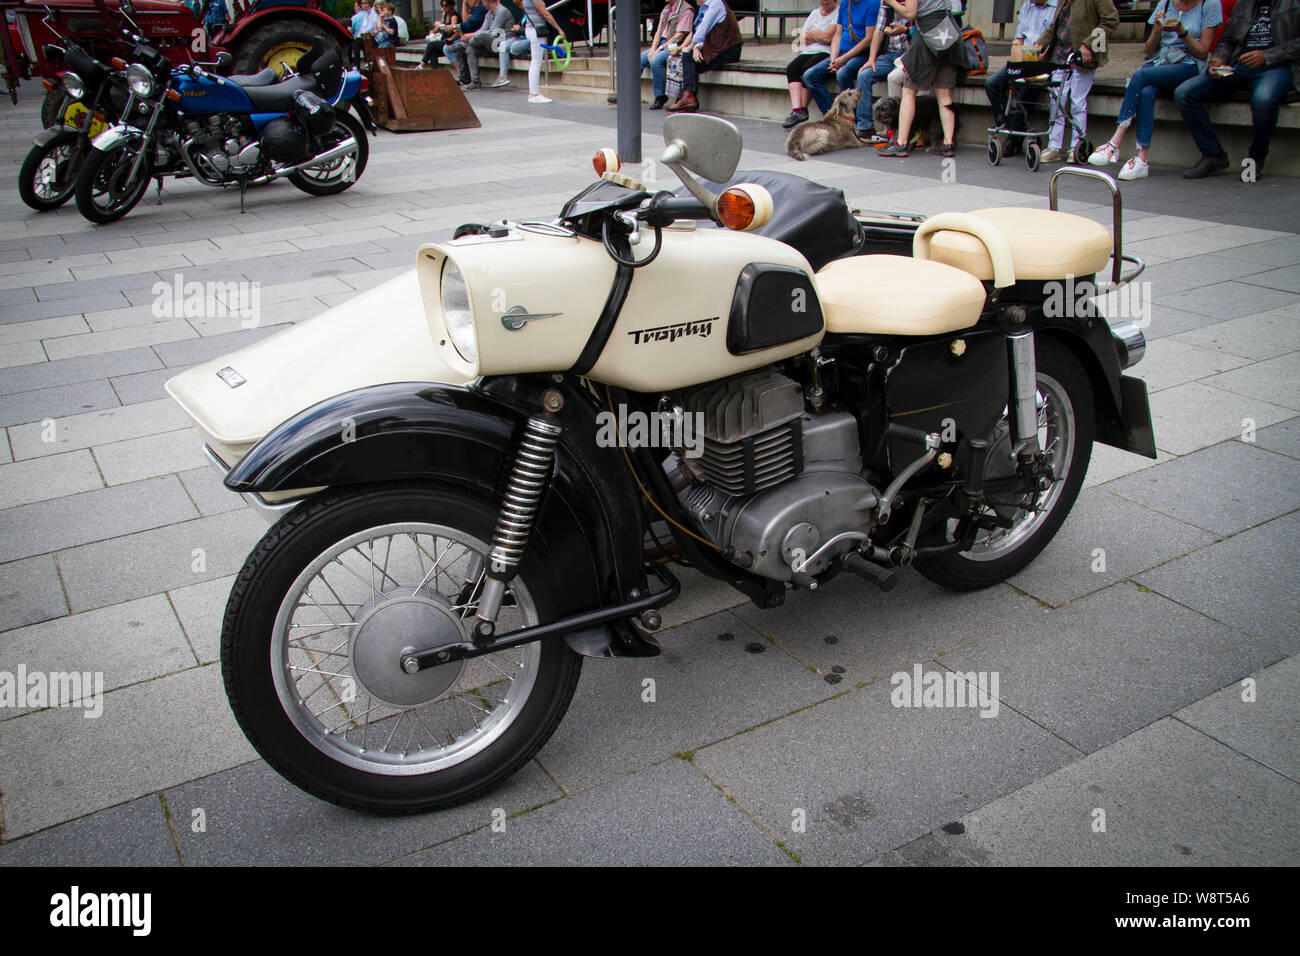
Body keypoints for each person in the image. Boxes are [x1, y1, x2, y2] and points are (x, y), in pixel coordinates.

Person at [1088, 0, 1222, 178]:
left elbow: (1203, 52)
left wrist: (1182, 32)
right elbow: (1148, 50)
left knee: (1140, 76)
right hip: (1162, 63)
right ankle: (1142, 158)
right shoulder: (1166, 3)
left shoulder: (1209, 4)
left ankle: (1115, 142)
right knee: (1146, 91)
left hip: (1190, 64)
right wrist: (1157, 31)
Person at [1173, 0, 1300, 178]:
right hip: (1239, 64)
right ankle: (1213, 155)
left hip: (1276, 66)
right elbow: (1227, 39)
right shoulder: (1245, 3)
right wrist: (1218, 59)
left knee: (1263, 99)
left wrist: (1267, 56)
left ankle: (1256, 158)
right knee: (1185, 92)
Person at [1029, 0, 1119, 163]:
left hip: (1083, 56)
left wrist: (1089, 45)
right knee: (1056, 100)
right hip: (1060, 55)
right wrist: (1040, 44)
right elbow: (1056, 25)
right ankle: (1054, 146)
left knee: (1077, 101)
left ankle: (1076, 146)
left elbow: (1111, 21)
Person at [878, 0, 970, 156]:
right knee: (944, 94)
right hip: (949, 34)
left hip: (927, 36)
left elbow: (910, 12)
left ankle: (901, 142)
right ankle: (948, 144)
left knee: (908, 91)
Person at [984, 0, 1059, 149]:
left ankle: (1014, 138)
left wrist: (1036, 58)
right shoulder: (1026, 6)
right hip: (1022, 60)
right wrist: (1017, 59)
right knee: (992, 84)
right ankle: (1009, 124)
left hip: (1042, 62)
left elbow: (1053, 44)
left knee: (1027, 87)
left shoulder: (1057, 8)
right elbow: (1019, 40)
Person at [803, 0, 880, 119]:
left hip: (862, 54)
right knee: (809, 76)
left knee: (842, 73)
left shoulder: (872, 4)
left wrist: (843, 59)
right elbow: (838, 34)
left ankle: (857, 120)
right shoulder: (845, 4)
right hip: (842, 53)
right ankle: (834, 116)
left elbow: (868, 39)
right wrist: (834, 58)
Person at [669, 0, 744, 112]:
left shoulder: (716, 4)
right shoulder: (705, 7)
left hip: (729, 49)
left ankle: (688, 97)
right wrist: (696, 48)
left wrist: (692, 47)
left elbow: (703, 29)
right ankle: (686, 96)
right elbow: (701, 32)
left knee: (688, 58)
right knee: (688, 60)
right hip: (718, 47)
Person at [855, 0, 914, 137]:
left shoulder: (912, 3)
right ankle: (865, 126)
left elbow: (913, 19)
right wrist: (871, 58)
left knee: (894, 77)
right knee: (864, 75)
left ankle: (895, 127)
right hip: (890, 54)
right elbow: (879, 31)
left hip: (908, 53)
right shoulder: (885, 3)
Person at [784, 0, 839, 128]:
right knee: (792, 68)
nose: (824, 2)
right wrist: (819, 36)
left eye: (827, 0)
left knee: (807, 69)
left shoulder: (838, 13)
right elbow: (801, 37)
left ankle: (803, 107)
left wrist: (812, 33)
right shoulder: (815, 13)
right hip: (807, 51)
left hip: (825, 52)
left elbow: (828, 38)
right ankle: (797, 110)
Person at [639, 0, 697, 109]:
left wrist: (660, 48)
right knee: (640, 59)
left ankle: (660, 96)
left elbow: (680, 35)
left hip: (674, 46)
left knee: (655, 60)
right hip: (662, 43)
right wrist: (652, 49)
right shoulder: (666, 9)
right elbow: (658, 31)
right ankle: (626, 92)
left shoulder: (686, 9)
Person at [516, 0, 569, 103]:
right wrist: (559, 29)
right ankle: (534, 94)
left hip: (531, 29)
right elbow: (545, 13)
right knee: (536, 62)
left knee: (535, 62)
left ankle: (533, 93)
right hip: (536, 30)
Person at [461, 0, 515, 88]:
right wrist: (471, 36)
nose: (482, 3)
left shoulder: (502, 11)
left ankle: (461, 45)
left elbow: (492, 32)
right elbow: (482, 29)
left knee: (480, 36)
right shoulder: (489, 13)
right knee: (470, 47)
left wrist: (471, 36)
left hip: (501, 45)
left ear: (488, 1)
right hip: (491, 45)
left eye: (483, 1)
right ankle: (475, 81)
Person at [422, 0, 462, 67]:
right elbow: (439, 26)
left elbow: (455, 29)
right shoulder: (445, 15)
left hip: (450, 41)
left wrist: (450, 35)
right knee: (433, 52)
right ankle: (435, 73)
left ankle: (422, 64)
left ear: (451, 6)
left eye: (446, 5)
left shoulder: (454, 16)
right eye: (442, 5)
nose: (444, 7)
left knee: (431, 45)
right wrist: (434, 31)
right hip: (444, 40)